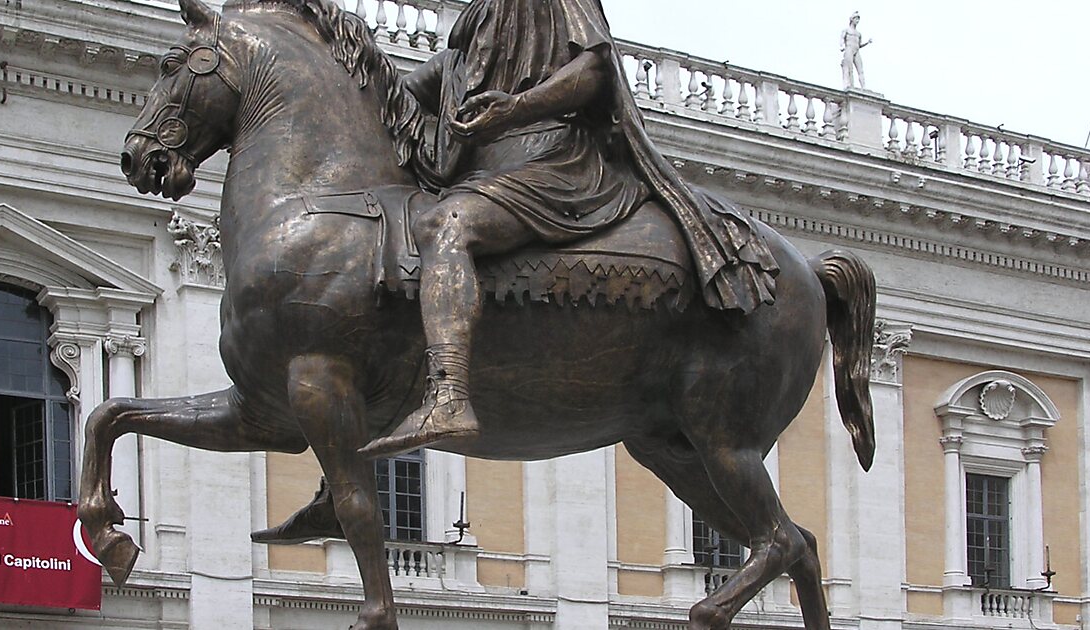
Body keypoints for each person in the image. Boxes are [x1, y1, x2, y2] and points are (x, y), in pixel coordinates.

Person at [358, 0, 779, 458]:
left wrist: (515, 107)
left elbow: (596, 67)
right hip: (484, 173)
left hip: (554, 162)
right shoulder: (470, 38)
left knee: (446, 226)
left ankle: (449, 395)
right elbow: (392, 98)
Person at [840, 12, 872, 90]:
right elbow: (841, 40)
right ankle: (848, 85)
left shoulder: (858, 34)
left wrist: (867, 43)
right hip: (849, 49)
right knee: (849, 68)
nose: (857, 21)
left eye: (858, 19)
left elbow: (859, 45)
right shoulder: (846, 30)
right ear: (852, 19)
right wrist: (842, 46)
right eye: (856, 19)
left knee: (860, 69)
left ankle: (863, 86)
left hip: (856, 50)